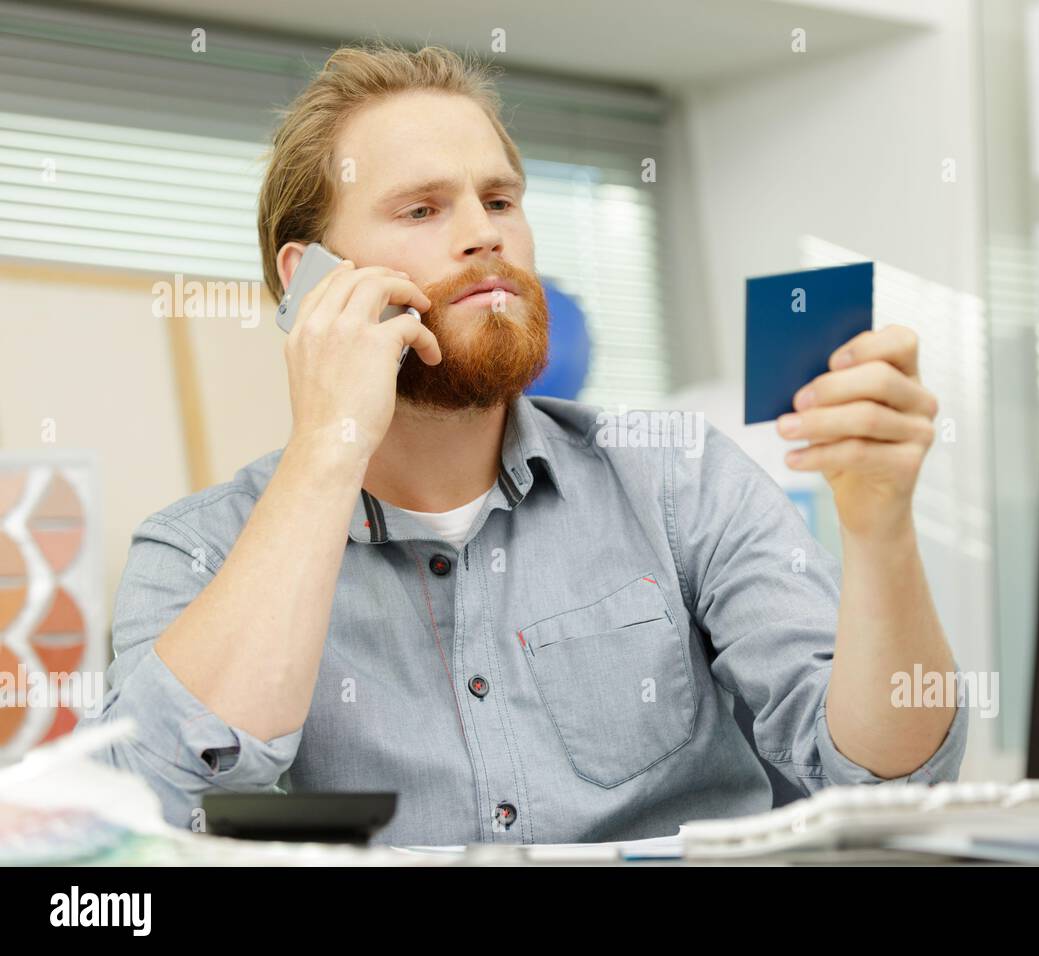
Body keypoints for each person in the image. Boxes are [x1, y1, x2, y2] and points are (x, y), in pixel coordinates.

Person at [83, 42, 966, 845]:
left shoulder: (678, 479)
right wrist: (327, 448)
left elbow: (884, 780)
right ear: (307, 277)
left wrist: (881, 528)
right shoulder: (192, 551)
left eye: (500, 199)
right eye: (424, 208)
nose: (486, 233)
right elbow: (144, 815)